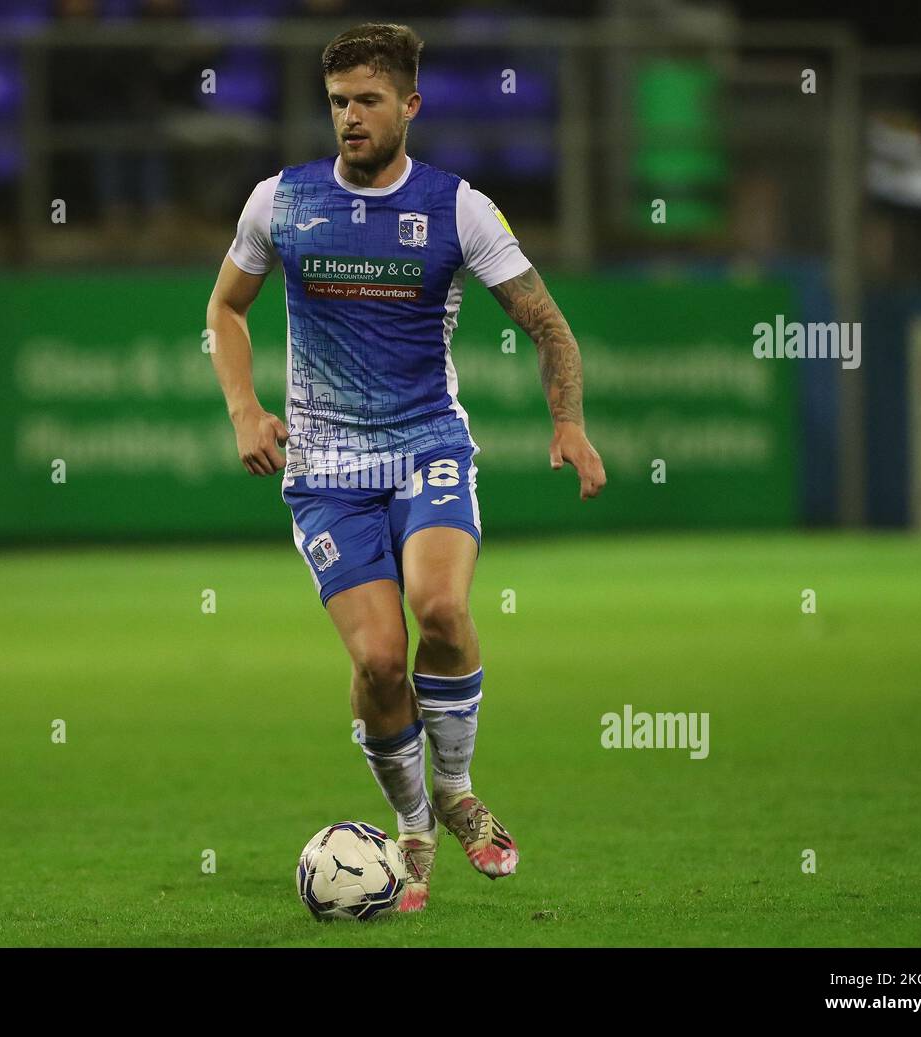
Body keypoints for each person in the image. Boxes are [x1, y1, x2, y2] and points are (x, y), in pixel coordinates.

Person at [206, 22, 605, 912]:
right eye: (339, 101)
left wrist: (568, 422)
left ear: (409, 106)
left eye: (368, 101)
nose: (350, 117)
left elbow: (547, 322)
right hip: (324, 468)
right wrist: (245, 407)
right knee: (382, 662)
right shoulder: (282, 201)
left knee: (441, 609)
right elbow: (225, 309)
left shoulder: (459, 208)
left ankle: (458, 790)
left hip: (427, 444)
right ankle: (416, 823)